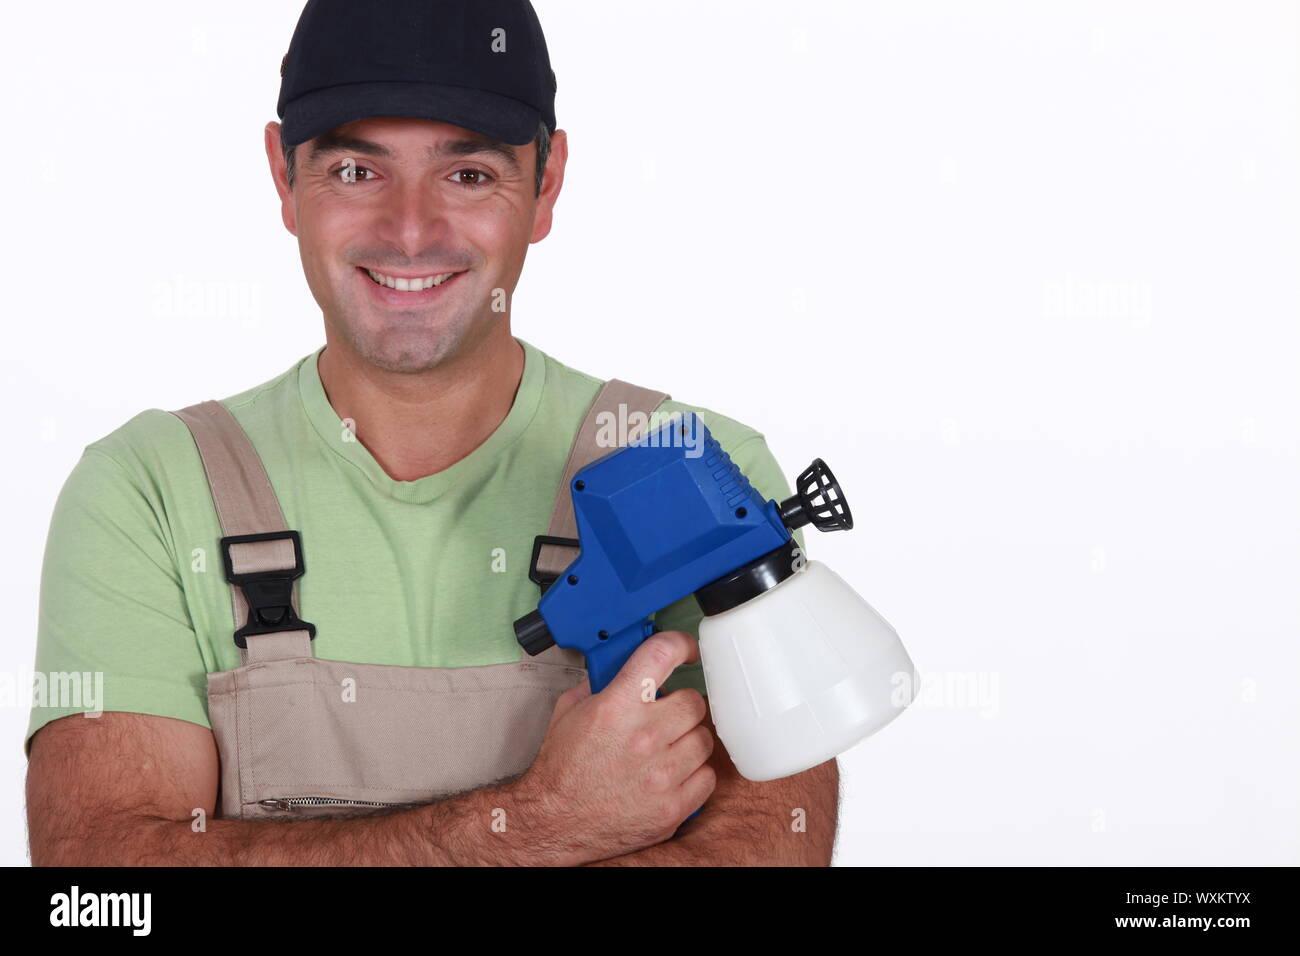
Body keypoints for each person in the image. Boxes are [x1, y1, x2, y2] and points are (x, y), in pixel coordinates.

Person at [24, 0, 838, 866]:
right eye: (354, 171)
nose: (410, 232)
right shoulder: (153, 491)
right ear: (282, 178)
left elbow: (766, 854)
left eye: (470, 174)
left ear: (547, 182)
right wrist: (533, 825)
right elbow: (104, 885)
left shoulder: (687, 470)